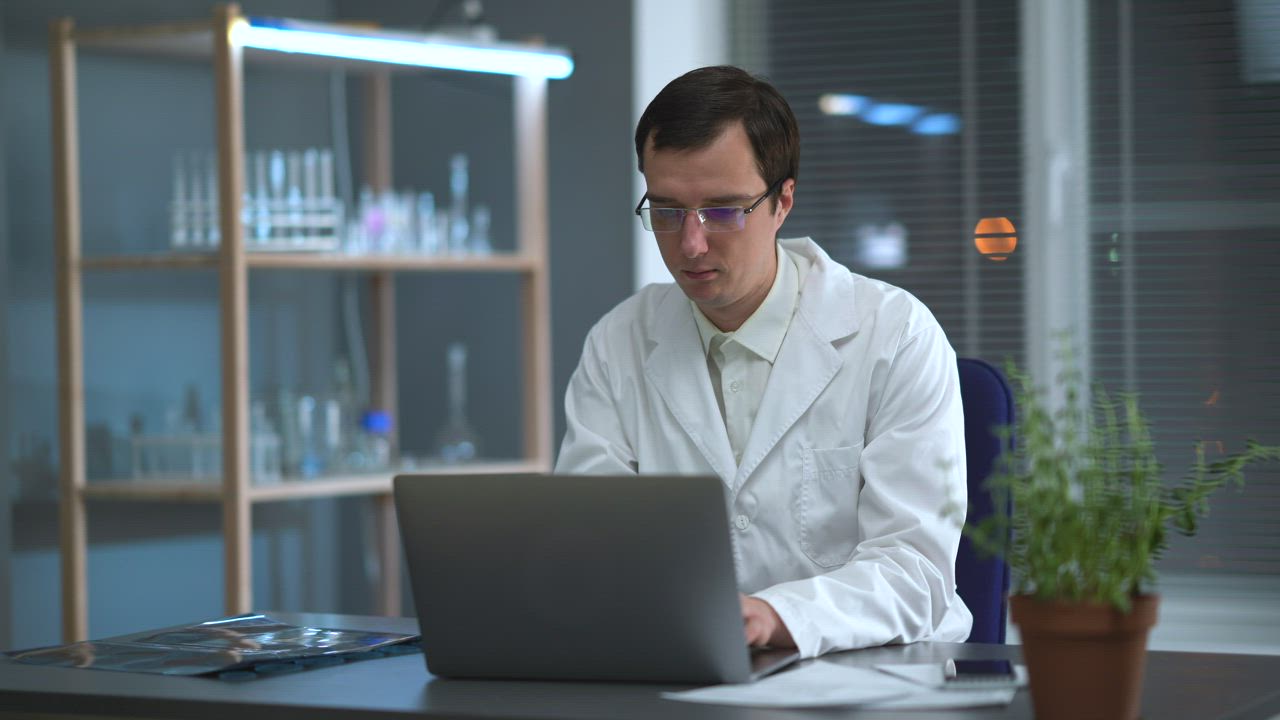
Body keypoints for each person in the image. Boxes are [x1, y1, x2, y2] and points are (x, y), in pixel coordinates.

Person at [555, 65, 972, 658]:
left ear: (783, 201)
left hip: (870, 677)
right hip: (681, 670)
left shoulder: (895, 334)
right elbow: (584, 547)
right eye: (669, 211)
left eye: (724, 211)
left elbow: (916, 574)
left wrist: (777, 616)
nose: (691, 244)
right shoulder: (619, 341)